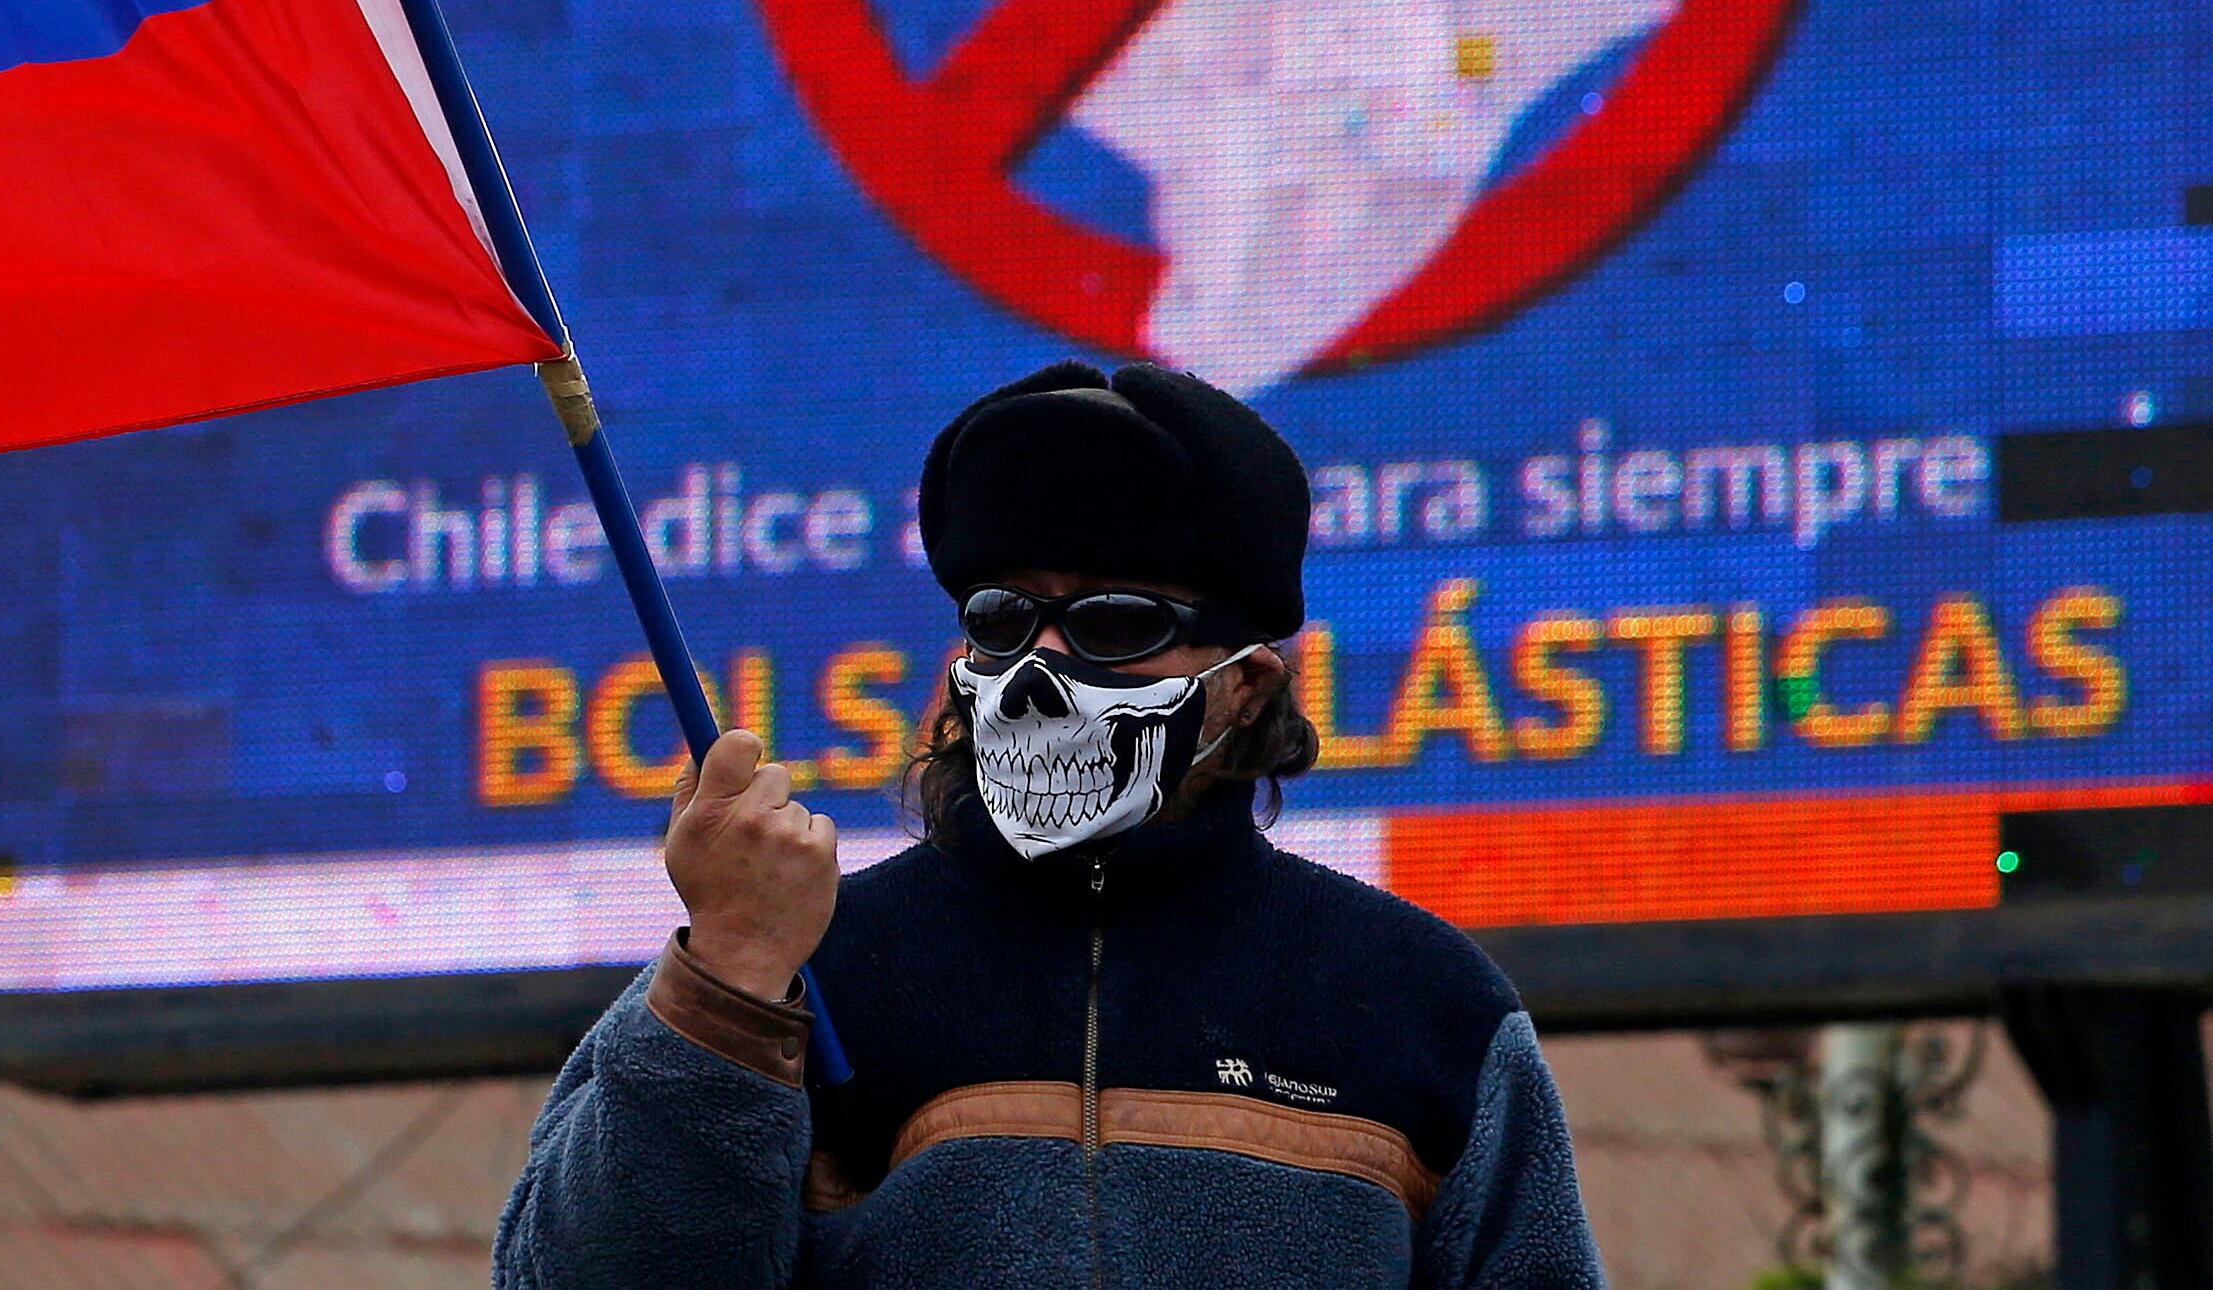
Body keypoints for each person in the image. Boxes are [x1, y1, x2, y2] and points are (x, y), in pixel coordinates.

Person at [495, 360, 1603, 1288]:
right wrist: (729, 975)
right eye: (1005, 616)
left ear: (1247, 686)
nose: (1045, 663)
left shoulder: (1420, 1003)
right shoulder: (799, 974)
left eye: (1117, 622)